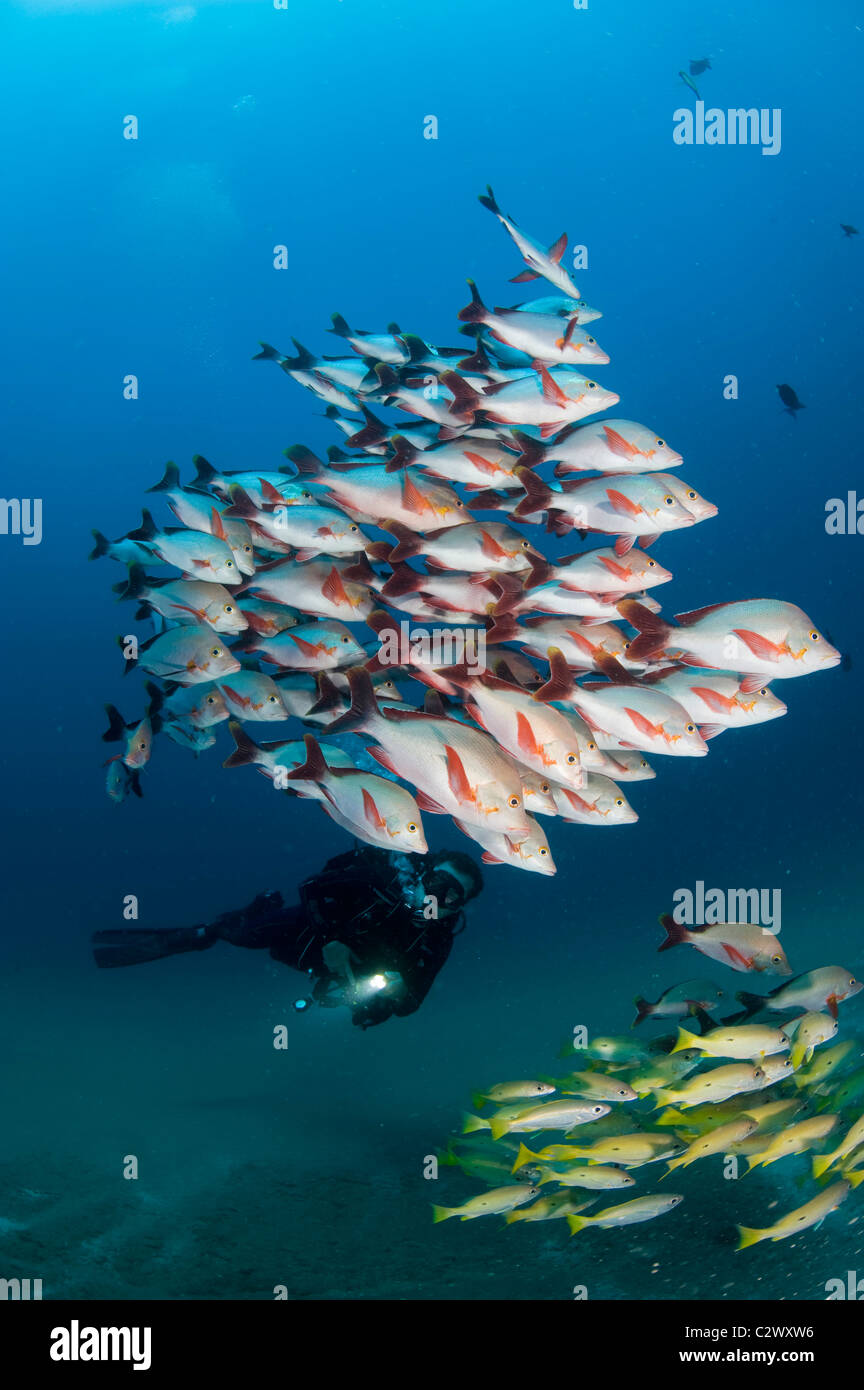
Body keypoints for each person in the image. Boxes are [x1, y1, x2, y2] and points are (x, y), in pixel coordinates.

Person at [92, 846, 483, 1029]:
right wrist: (332, 938)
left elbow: (412, 1003)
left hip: (344, 973)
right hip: (307, 933)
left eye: (452, 896)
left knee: (368, 1016)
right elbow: (313, 886)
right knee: (245, 937)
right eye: (437, 883)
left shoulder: (439, 937)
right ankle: (210, 929)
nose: (439, 899)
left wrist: (398, 992)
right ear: (421, 872)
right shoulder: (381, 880)